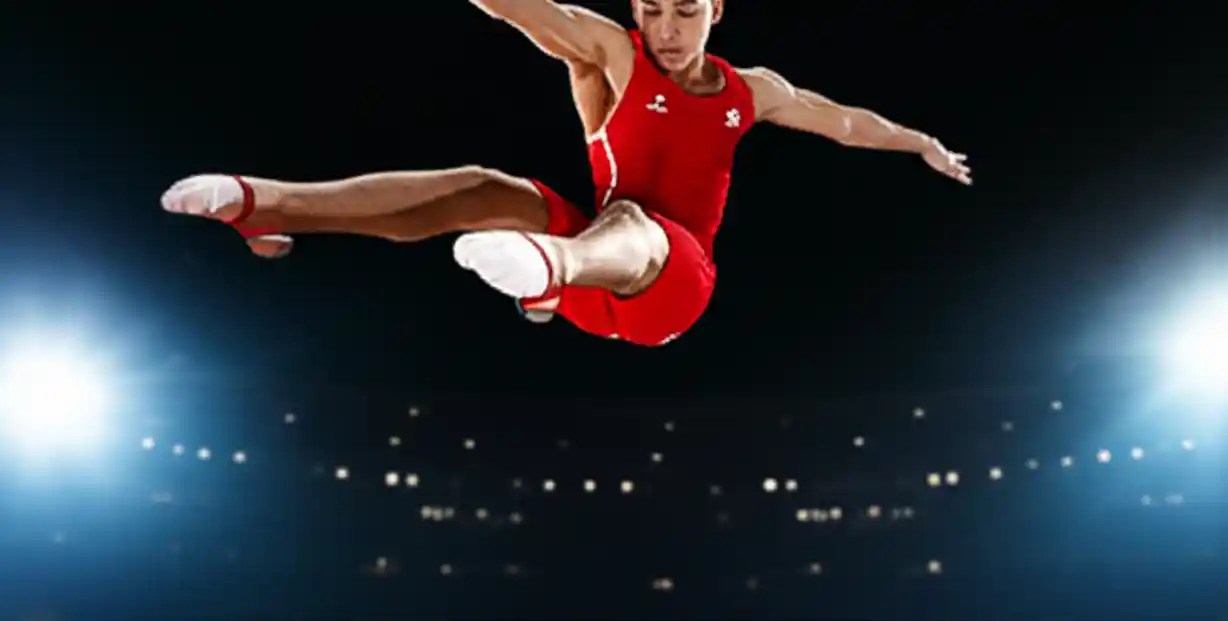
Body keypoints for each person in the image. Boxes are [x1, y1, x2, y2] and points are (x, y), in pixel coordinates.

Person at [161, 0, 971, 347]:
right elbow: (525, 9)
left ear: (716, 8)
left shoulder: (752, 92)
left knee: (637, 228)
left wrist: (922, 143)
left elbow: (847, 123)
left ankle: (548, 272)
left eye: (685, 10)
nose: (665, 28)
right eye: (651, 8)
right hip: (589, 272)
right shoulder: (612, 52)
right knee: (486, 188)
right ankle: (264, 204)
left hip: (672, 290)